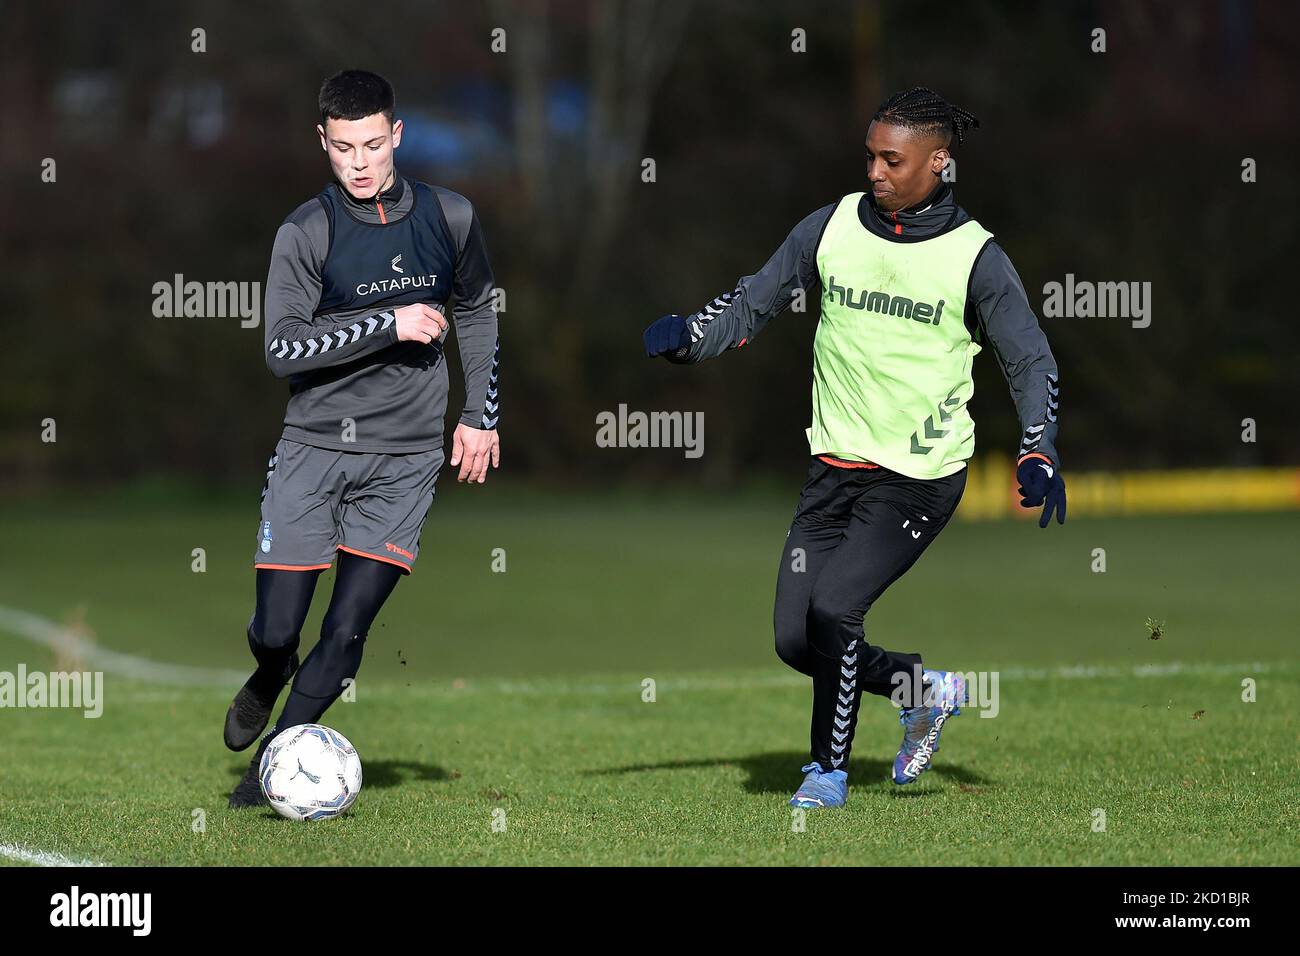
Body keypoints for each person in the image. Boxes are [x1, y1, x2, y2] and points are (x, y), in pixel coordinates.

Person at [643, 87, 1065, 809]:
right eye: (869, 155)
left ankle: (826, 772)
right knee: (793, 639)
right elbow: (754, 300)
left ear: (939, 162)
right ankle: (921, 689)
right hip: (834, 470)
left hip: (917, 478)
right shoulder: (830, 227)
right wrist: (690, 339)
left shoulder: (976, 257)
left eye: (892, 160)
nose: (875, 171)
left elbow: (1031, 362)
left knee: (836, 610)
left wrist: (1038, 449)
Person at [225, 69, 501, 807]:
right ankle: (268, 672)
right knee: (279, 629)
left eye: (373, 145)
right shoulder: (305, 232)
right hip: (315, 446)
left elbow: (476, 311)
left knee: (346, 631)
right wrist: (391, 321)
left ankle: (268, 775)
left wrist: (481, 413)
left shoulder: (451, 218)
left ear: (397, 136)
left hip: (407, 457)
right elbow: (281, 349)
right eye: (343, 147)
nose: (359, 162)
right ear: (323, 141)